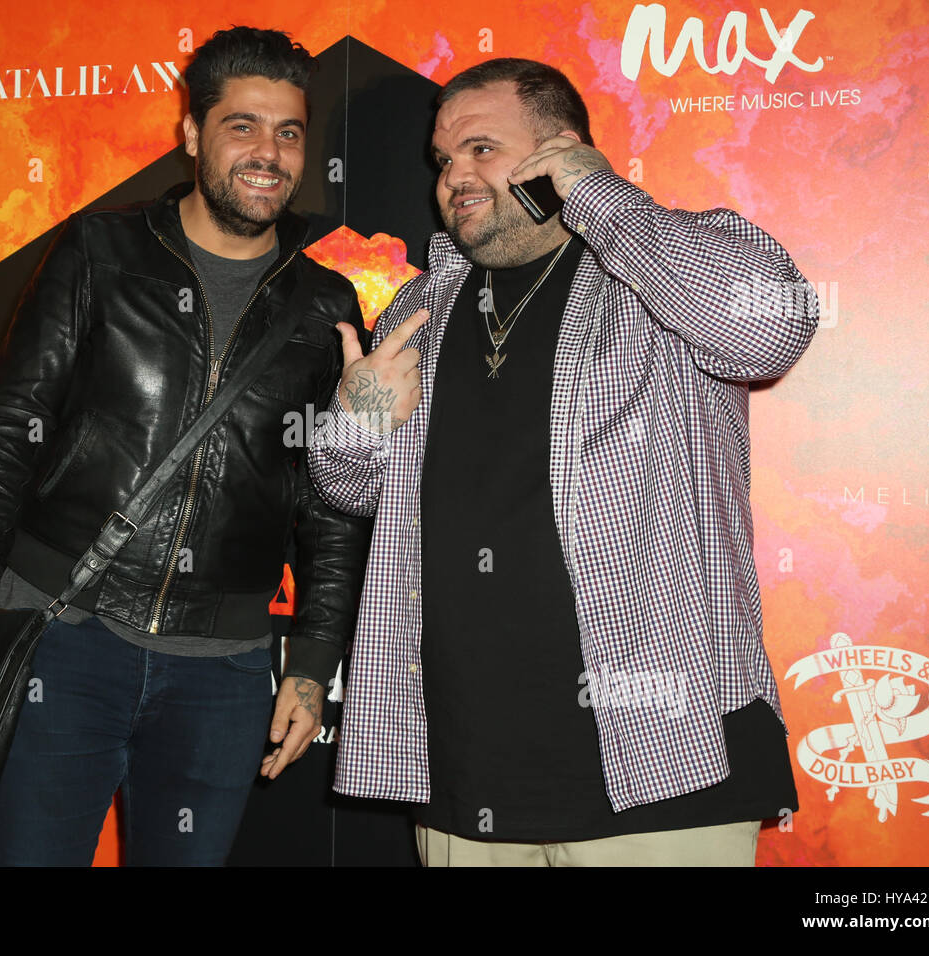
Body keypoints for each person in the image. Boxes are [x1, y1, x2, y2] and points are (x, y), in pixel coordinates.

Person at [308, 58, 817, 866]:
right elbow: (348, 489)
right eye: (444, 160)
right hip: (463, 759)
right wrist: (357, 416)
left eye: (481, 149)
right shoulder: (420, 304)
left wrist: (599, 195)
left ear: (563, 151)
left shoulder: (661, 266)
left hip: (662, 755)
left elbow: (767, 330)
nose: (455, 177)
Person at [0, 26, 370, 866]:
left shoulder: (326, 304)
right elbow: (9, 428)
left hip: (224, 670)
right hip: (66, 637)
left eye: (289, 132)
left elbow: (332, 500)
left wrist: (312, 661)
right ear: (193, 135)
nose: (268, 153)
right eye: (242, 126)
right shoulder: (101, 251)